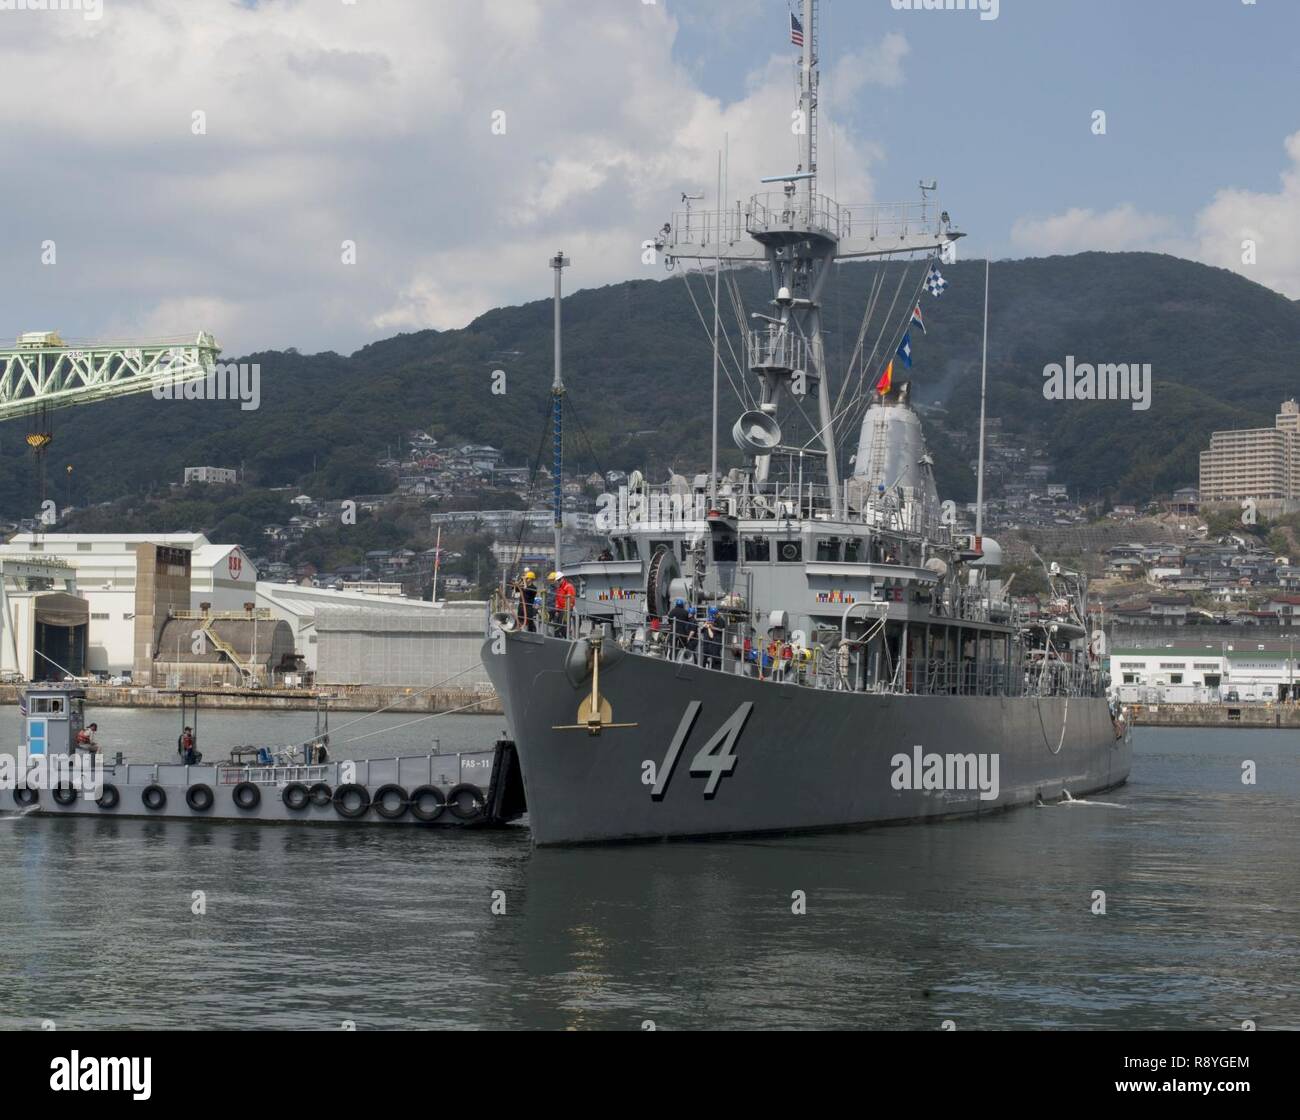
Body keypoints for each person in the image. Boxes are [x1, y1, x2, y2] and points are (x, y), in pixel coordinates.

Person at [552, 571, 576, 637]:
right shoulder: (559, 588)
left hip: (566, 610)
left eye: (559, 580)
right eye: (557, 580)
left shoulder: (568, 586)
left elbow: (571, 599)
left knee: (564, 627)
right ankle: (559, 638)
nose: (558, 581)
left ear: (563, 578)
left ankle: (567, 638)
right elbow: (557, 599)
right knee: (557, 626)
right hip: (560, 610)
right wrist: (557, 610)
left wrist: (567, 609)